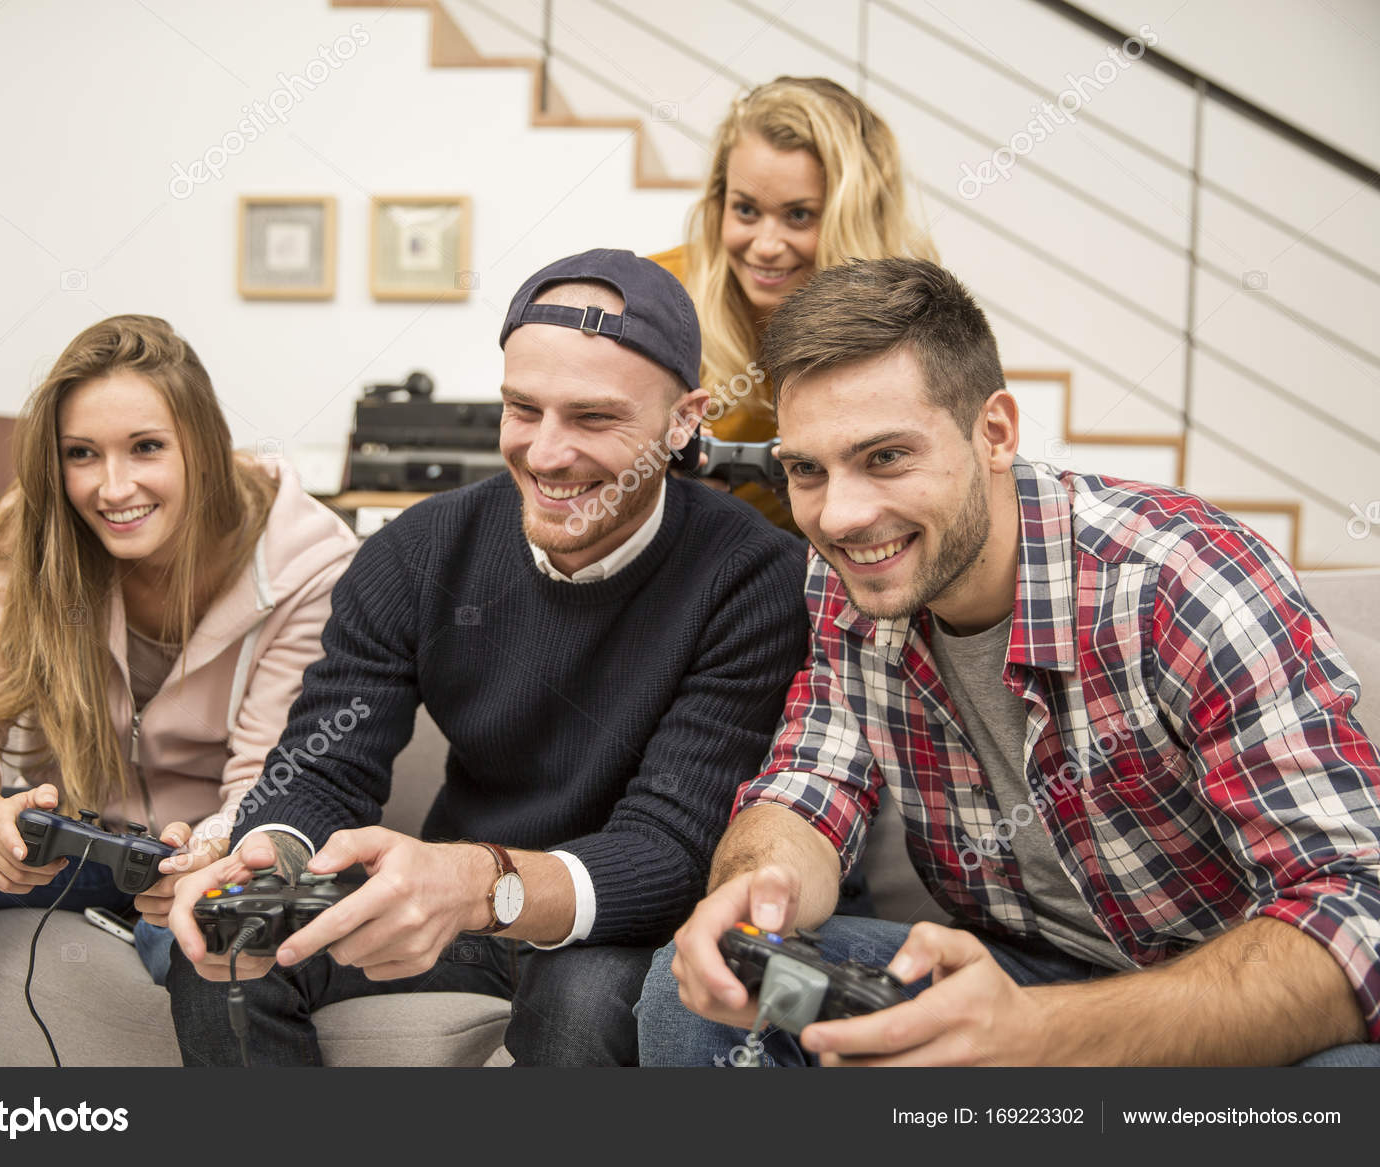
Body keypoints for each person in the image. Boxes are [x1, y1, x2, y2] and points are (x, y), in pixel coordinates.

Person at [636, 258, 1380, 1066]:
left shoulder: (1183, 584)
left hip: (1217, 994)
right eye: (807, 469)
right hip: (1012, 973)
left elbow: (1358, 909)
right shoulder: (848, 576)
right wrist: (756, 888)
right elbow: (810, 786)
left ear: (994, 432)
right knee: (695, 1005)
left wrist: (1047, 1038)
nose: (840, 515)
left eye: (885, 457)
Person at [165, 250, 810, 1066]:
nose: (545, 454)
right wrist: (273, 852)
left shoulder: (754, 579)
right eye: (522, 409)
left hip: (614, 929)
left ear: (685, 420)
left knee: (577, 1003)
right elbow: (325, 769)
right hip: (456, 917)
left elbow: (670, 850)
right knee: (226, 949)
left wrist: (480, 883)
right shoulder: (417, 552)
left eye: (593, 418)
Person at [0, 315, 358, 1066]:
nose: (113, 488)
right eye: (82, 455)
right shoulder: (36, 531)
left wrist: (203, 854)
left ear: (202, 445)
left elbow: (272, 783)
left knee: (214, 936)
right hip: (74, 839)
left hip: (201, 853)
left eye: (147, 447)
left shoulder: (308, 562)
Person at [654, 76, 937, 530]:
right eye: (746, 210)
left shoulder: (909, 321)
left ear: (854, 219)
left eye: (799, 216)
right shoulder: (656, 297)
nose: (766, 246)